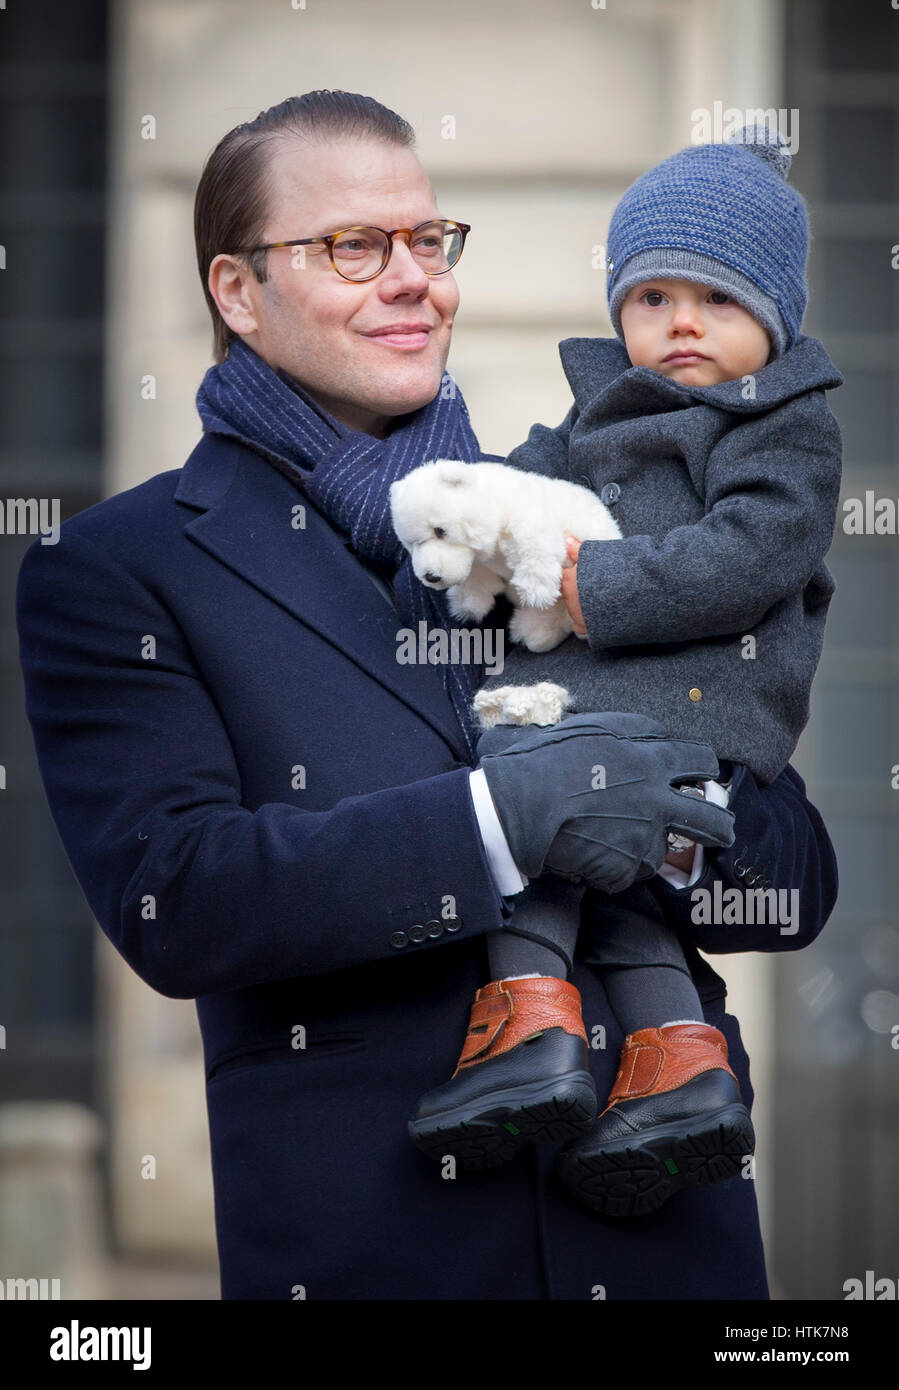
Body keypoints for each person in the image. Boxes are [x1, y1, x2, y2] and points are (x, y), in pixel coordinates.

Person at [16, 90, 837, 1300]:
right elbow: (177, 900)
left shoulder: (556, 513)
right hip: (381, 1258)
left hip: (674, 1255)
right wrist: (496, 826)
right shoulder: (118, 568)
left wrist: (659, 804)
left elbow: (794, 886)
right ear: (236, 293)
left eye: (426, 241)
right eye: (353, 246)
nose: (412, 278)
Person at [408, 125, 844, 1220]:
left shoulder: (780, 425)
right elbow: (516, 487)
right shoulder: (596, 410)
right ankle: (676, 1065)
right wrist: (471, 513)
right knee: (619, 886)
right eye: (650, 299)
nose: (680, 323)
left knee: (545, 812)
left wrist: (589, 581)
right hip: (623, 710)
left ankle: (526, 1020)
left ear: (773, 321)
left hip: (704, 706)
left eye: (715, 300)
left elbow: (749, 556)